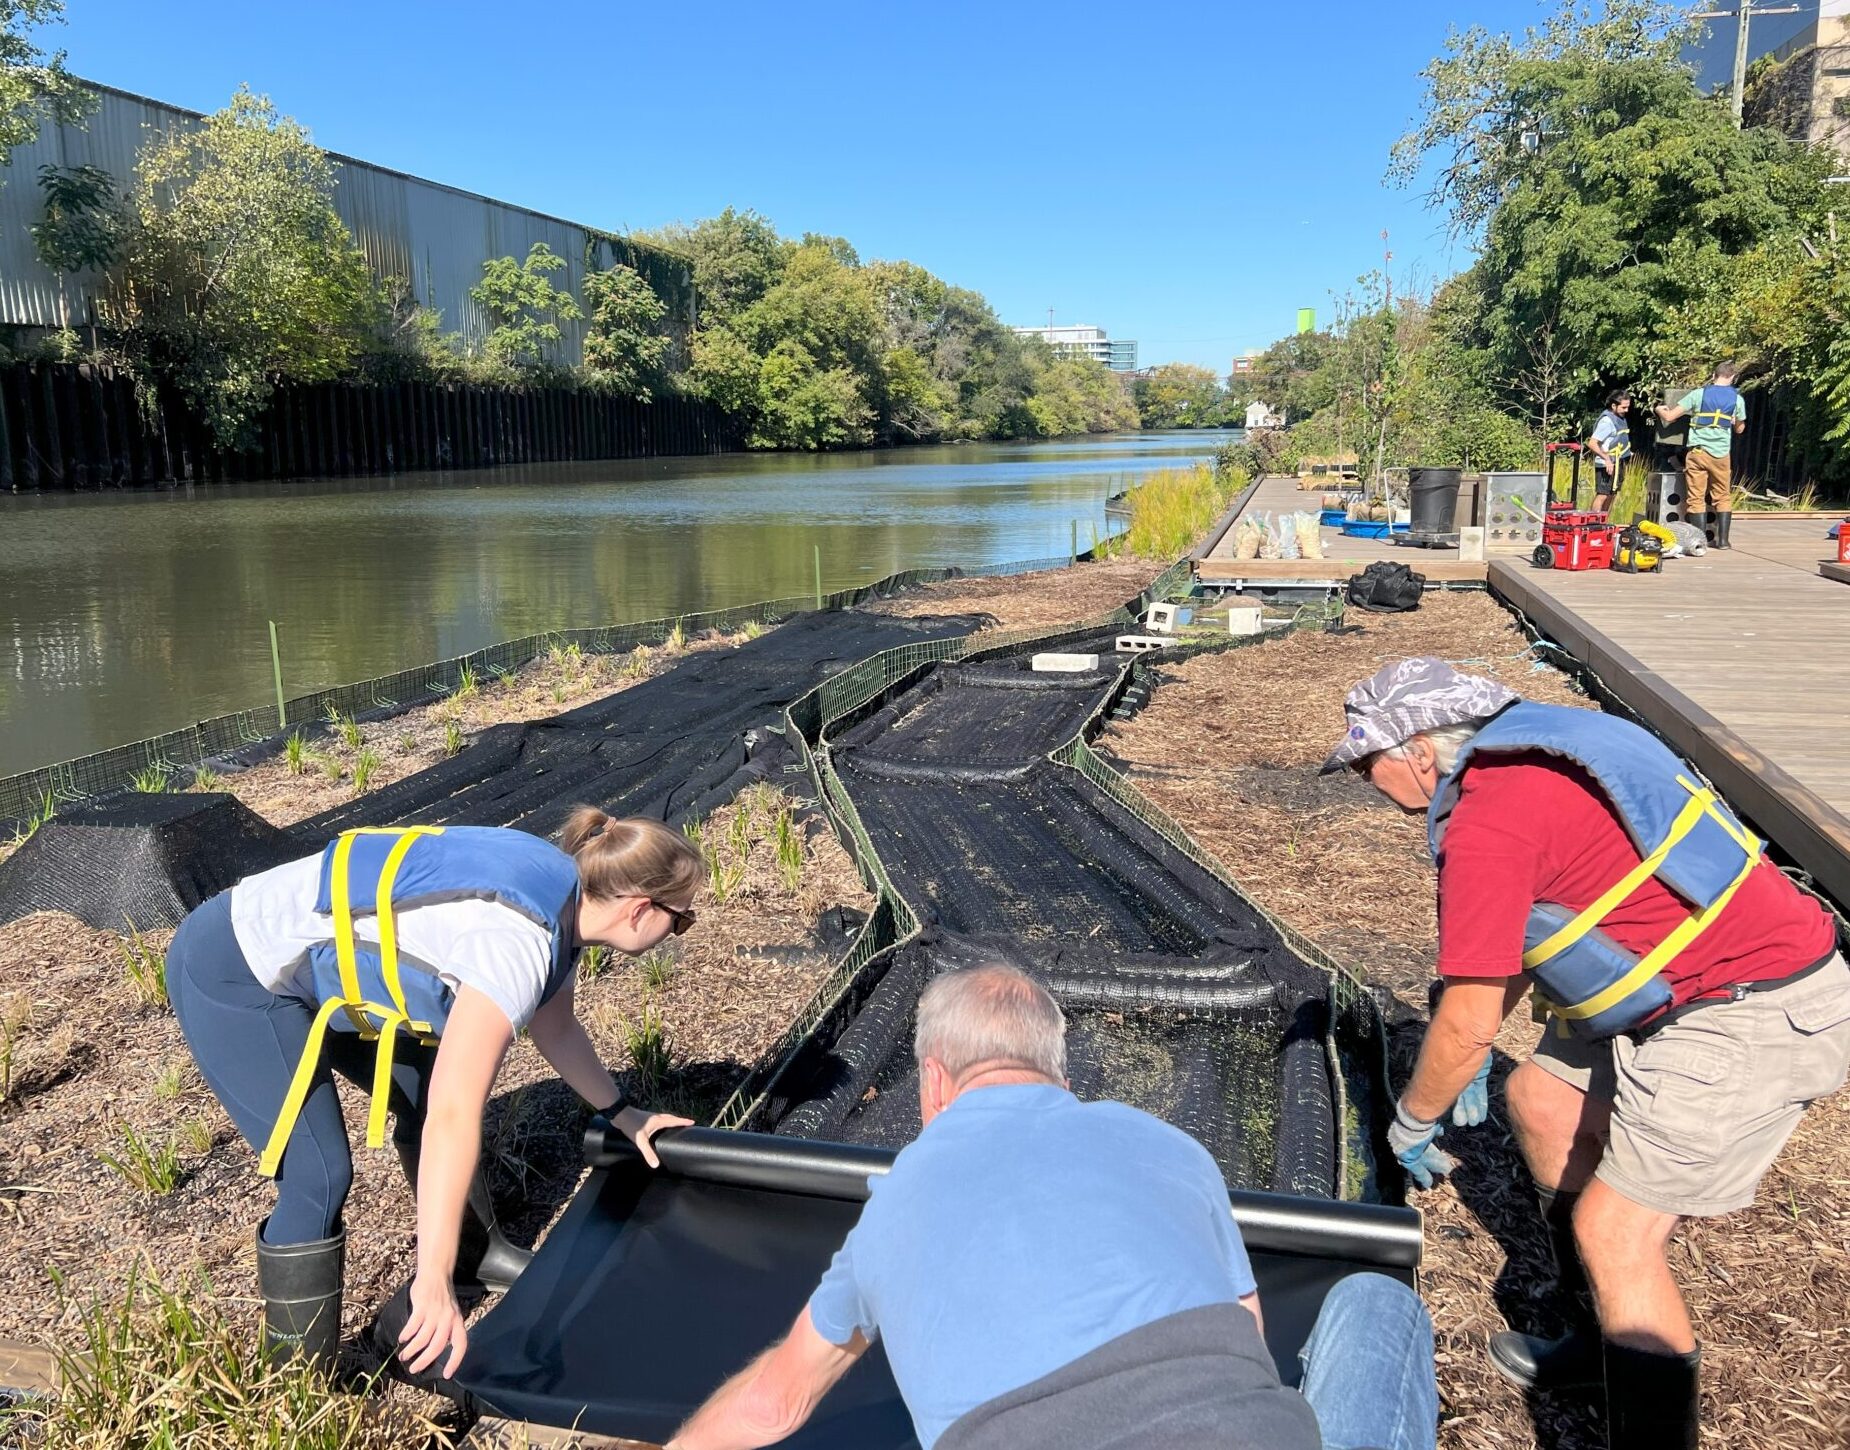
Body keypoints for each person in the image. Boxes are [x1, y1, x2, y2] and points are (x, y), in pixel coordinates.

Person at [1323, 657, 1850, 1450]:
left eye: (1367, 763)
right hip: (1681, 978)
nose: (1366, 780)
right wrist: (1467, 1043)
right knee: (1542, 1101)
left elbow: (1467, 1024)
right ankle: (1594, 1345)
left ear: (1420, 751)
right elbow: (1513, 949)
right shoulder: (1543, 745)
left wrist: (1414, 1118)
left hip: (1757, 1004)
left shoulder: (1489, 823)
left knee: (1615, 1233)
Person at [667, 963, 1439, 1450]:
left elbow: (772, 1406)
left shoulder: (895, 1203)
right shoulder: (1170, 1146)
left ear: (933, 1081)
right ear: (1059, 1072)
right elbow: (1247, 1335)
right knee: (1378, 1301)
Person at [167, 809, 701, 1380]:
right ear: (639, 909)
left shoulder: (568, 897)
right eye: (682, 920)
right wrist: (431, 1279)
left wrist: (623, 1114)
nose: (681, 929)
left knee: (422, 1098)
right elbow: (454, 1114)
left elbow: (557, 1027)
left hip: (320, 966)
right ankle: (294, 1380)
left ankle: (476, 1256)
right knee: (317, 1175)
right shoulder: (517, 942)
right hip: (235, 967)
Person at [1656, 364, 1746, 549]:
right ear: (1732, 377)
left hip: (1697, 452)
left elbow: (1670, 417)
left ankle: (1700, 541)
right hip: (1721, 454)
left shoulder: (1698, 394)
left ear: (1714, 375)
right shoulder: (1737, 399)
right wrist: (1733, 421)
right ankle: (1723, 541)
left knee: (1696, 498)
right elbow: (1739, 429)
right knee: (1723, 496)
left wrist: (1659, 409)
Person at [1585, 390, 1632, 515]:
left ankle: (1604, 521)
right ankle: (1593, 521)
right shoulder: (1607, 421)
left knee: (1612, 493)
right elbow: (1592, 443)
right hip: (1606, 464)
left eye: (1628, 407)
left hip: (1617, 461)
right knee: (1603, 494)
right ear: (1614, 405)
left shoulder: (1620, 419)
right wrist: (1606, 459)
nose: (1626, 410)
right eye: (1623, 407)